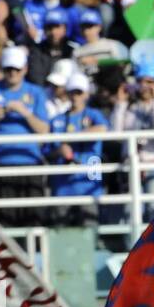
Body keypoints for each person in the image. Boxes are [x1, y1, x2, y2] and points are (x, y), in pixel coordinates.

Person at [0, 44, 51, 222]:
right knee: (5, 218)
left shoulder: (36, 93)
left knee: (33, 217)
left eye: (16, 69)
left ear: (24, 69)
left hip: (29, 160)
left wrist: (24, 113)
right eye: (9, 69)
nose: (12, 73)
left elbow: (44, 130)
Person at [111, 61, 154, 220]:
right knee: (130, 213)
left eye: (150, 82)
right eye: (141, 81)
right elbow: (116, 134)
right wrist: (120, 104)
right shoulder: (130, 108)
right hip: (132, 167)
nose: (145, 86)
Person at [48, 71, 107, 225]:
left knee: (89, 228)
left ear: (86, 94)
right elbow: (48, 150)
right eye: (72, 92)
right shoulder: (57, 120)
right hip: (63, 185)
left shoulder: (94, 115)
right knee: (60, 230)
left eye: (79, 92)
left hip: (90, 182)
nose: (75, 96)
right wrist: (60, 151)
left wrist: (74, 136)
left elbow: (103, 129)